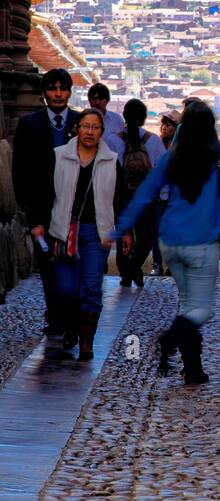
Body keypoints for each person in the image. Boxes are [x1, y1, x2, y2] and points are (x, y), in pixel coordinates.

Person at [114, 100, 220, 385]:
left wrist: (122, 226)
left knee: (186, 304)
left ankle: (192, 367)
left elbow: (147, 192)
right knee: (201, 309)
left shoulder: (173, 157)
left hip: (171, 240)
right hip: (203, 240)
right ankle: (170, 339)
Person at [48, 108, 130, 361]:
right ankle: (72, 324)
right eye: (85, 126)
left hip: (97, 231)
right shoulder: (58, 157)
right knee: (66, 288)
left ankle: (86, 340)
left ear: (102, 132)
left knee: (92, 286)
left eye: (95, 127)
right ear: (76, 128)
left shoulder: (111, 161)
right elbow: (46, 192)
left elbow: (121, 198)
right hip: (64, 229)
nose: (90, 132)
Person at [12, 68, 80, 335]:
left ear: (69, 92)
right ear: (44, 93)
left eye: (63, 88)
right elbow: (21, 170)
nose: (58, 94)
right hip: (42, 212)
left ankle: (70, 314)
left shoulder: (80, 122)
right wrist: (29, 212)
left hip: (74, 209)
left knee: (72, 262)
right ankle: (56, 315)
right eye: (52, 88)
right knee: (48, 264)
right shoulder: (30, 124)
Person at [106, 99, 165, 288]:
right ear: (144, 118)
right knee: (146, 238)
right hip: (147, 198)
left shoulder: (112, 140)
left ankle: (126, 272)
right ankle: (134, 267)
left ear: (124, 116)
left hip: (121, 196)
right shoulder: (153, 141)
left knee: (124, 233)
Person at [151, 111, 180, 276]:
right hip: (159, 196)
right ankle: (157, 264)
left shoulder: (179, 149)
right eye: (163, 124)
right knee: (156, 232)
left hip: (174, 197)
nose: (164, 128)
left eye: (168, 125)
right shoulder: (157, 145)